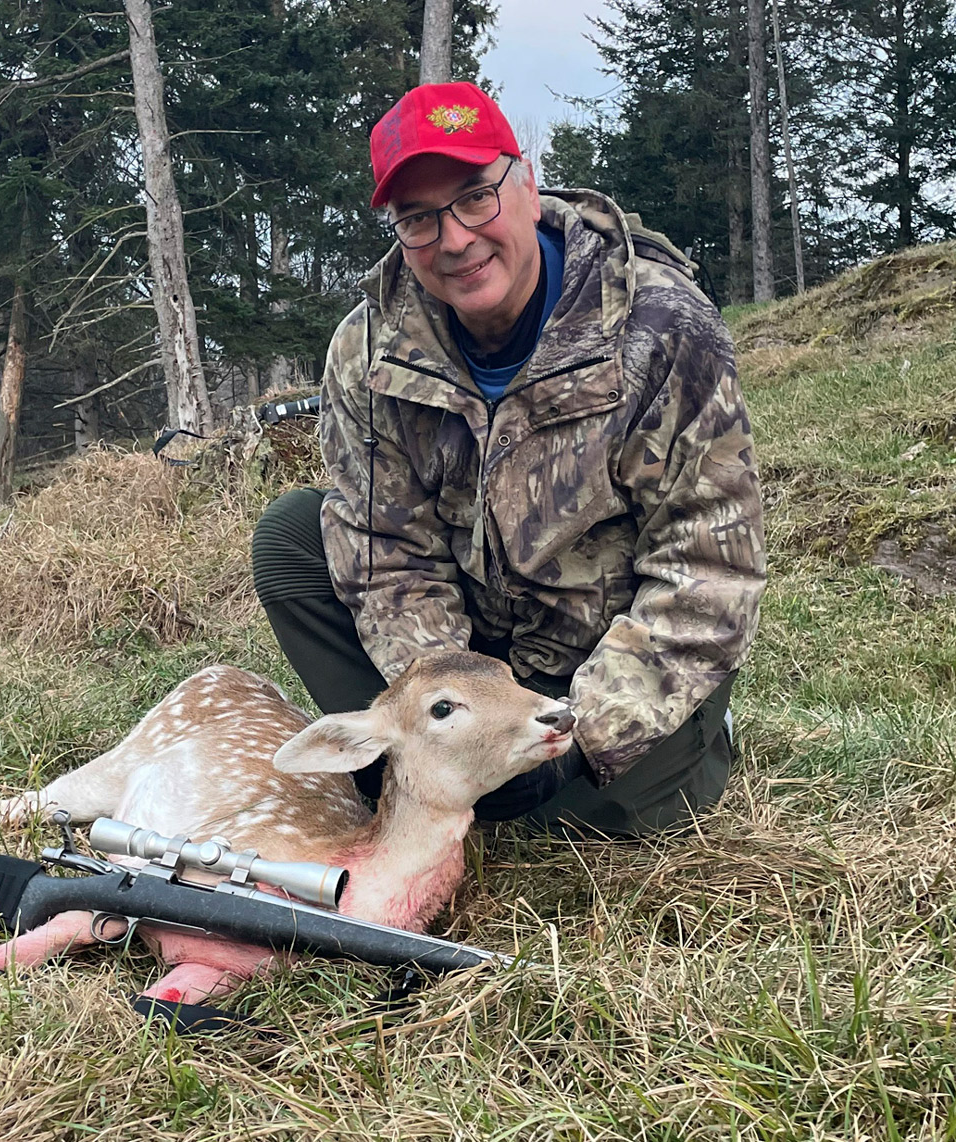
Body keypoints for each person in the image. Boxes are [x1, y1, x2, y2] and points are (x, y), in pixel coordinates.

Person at [251, 81, 766, 839]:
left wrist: (576, 739)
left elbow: (708, 571)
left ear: (526, 188)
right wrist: (457, 720)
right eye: (419, 219)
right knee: (294, 536)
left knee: (581, 832)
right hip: (478, 668)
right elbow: (385, 553)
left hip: (603, 665)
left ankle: (591, 779)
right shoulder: (368, 350)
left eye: (473, 198)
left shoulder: (663, 328)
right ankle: (428, 773)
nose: (455, 239)